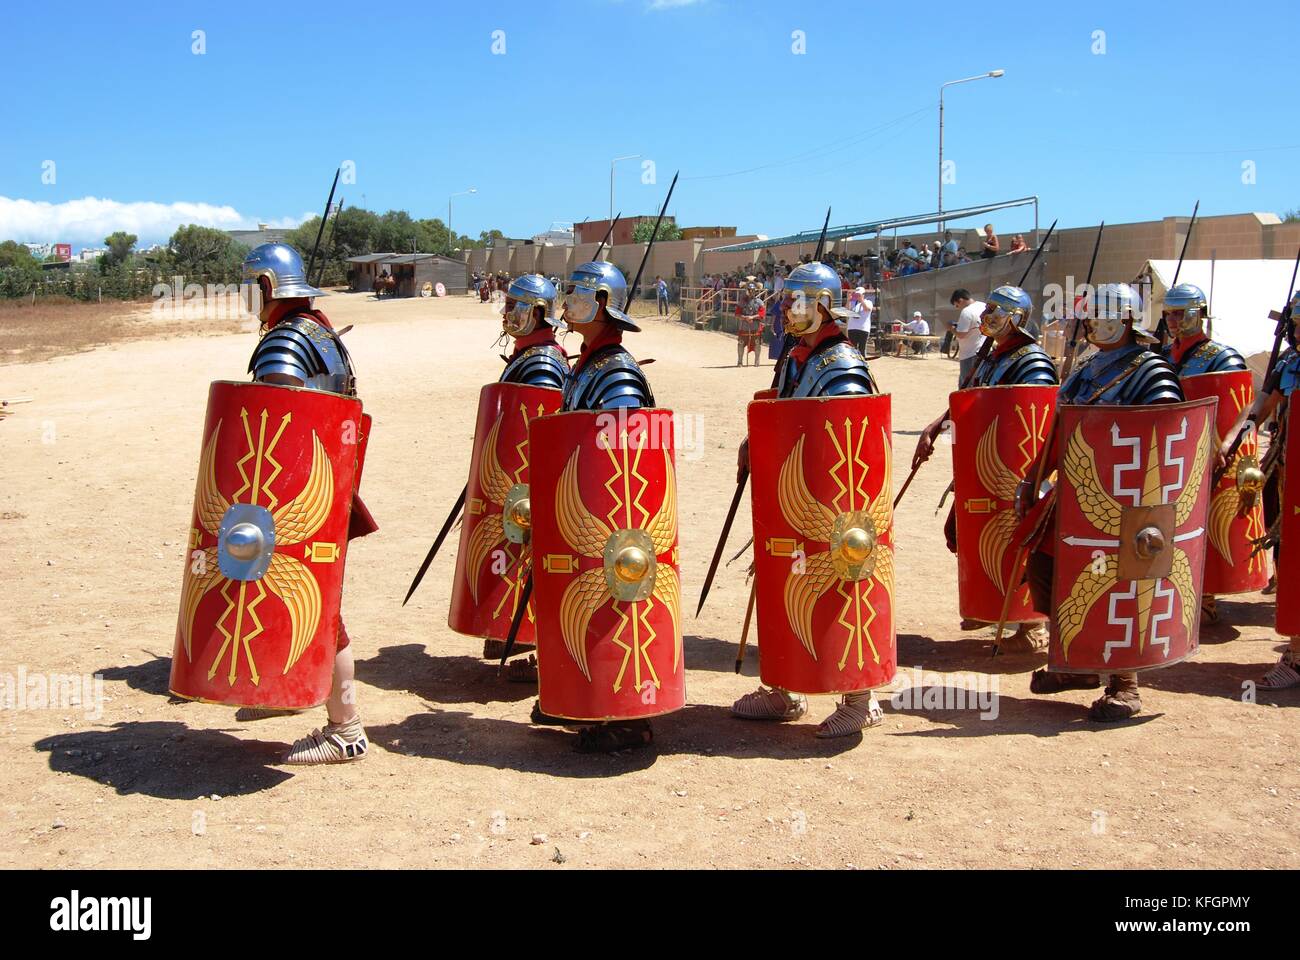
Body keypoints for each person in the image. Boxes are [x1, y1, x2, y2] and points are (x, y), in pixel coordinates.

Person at [731, 260, 885, 739]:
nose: (784, 309)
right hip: (790, 496)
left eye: (794, 300)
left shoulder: (843, 365)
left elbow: (850, 442)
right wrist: (756, 440)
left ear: (822, 306)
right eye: (785, 299)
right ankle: (784, 686)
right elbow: (786, 417)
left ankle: (860, 698)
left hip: (833, 504)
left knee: (840, 581)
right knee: (781, 577)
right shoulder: (796, 357)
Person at [1020, 283, 1184, 721]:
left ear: (1127, 319)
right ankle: (1078, 662)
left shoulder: (1150, 371)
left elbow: (1165, 434)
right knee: (1049, 569)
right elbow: (1062, 429)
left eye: (1101, 315)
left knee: (1118, 585)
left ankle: (1125, 685)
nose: (1092, 323)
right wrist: (1034, 474)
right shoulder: (1086, 369)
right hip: (1075, 496)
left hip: (1126, 506)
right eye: (1089, 315)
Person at [240, 242, 377, 763]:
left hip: (293, 497)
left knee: (324, 609)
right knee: (304, 598)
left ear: (267, 287)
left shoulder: (286, 343)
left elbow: (273, 423)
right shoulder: (322, 334)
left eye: (253, 286)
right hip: (322, 489)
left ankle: (346, 730)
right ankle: (284, 681)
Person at [913, 285, 1059, 651]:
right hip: (984, 465)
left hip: (1021, 472)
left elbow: (1032, 417)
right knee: (968, 533)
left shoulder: (1033, 361)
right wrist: (937, 425)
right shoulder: (991, 358)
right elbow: (971, 400)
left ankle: (1032, 627)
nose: (984, 316)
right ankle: (990, 604)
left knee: (1019, 541)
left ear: (1015, 319)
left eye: (994, 310)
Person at [1217, 289, 1299, 687]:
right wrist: (1233, 436)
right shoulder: (1289, 364)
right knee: (1290, 557)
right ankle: (1298, 653)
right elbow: (1258, 408)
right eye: (1296, 324)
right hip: (1290, 475)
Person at [949, 288, 987, 385]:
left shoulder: (966, 312)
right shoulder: (984, 306)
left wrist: (951, 329)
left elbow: (961, 334)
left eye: (957, 305)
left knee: (966, 384)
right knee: (979, 382)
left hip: (969, 354)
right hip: (985, 350)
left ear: (960, 300)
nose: (958, 308)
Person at [735, 282, 765, 366]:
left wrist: (752, 317)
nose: (751, 292)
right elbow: (737, 314)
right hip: (744, 326)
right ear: (747, 291)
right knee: (741, 343)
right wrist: (745, 318)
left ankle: (757, 361)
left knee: (757, 343)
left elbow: (762, 314)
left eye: (753, 290)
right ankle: (740, 361)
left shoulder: (759, 302)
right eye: (750, 290)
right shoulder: (742, 302)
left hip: (755, 326)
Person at [846, 286, 873, 354]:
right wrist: (848, 300)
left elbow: (867, 309)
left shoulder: (868, 302)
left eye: (859, 294)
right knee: (852, 350)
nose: (857, 296)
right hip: (852, 328)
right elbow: (847, 311)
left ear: (863, 295)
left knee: (862, 349)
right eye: (856, 294)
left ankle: (862, 364)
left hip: (863, 329)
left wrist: (862, 301)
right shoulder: (853, 303)